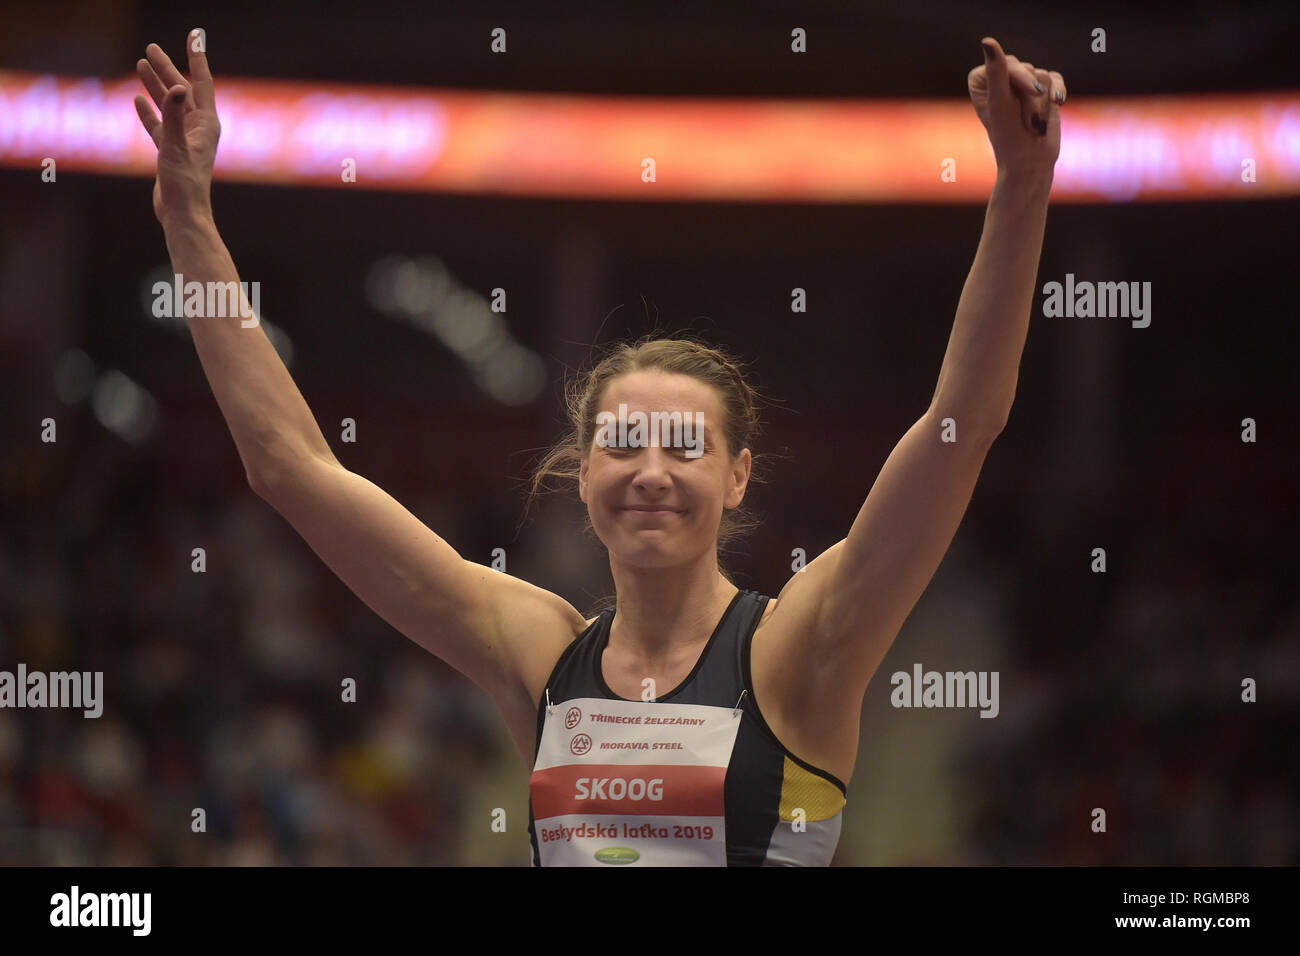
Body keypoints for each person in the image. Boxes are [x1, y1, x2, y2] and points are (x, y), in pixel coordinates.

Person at [134, 30, 1067, 865]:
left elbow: (962, 423)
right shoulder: (534, 655)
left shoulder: (798, 648)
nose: (651, 472)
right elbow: (290, 467)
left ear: (738, 476)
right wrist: (190, 221)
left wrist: (1021, 194)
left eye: (684, 447)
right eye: (622, 444)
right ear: (583, 478)